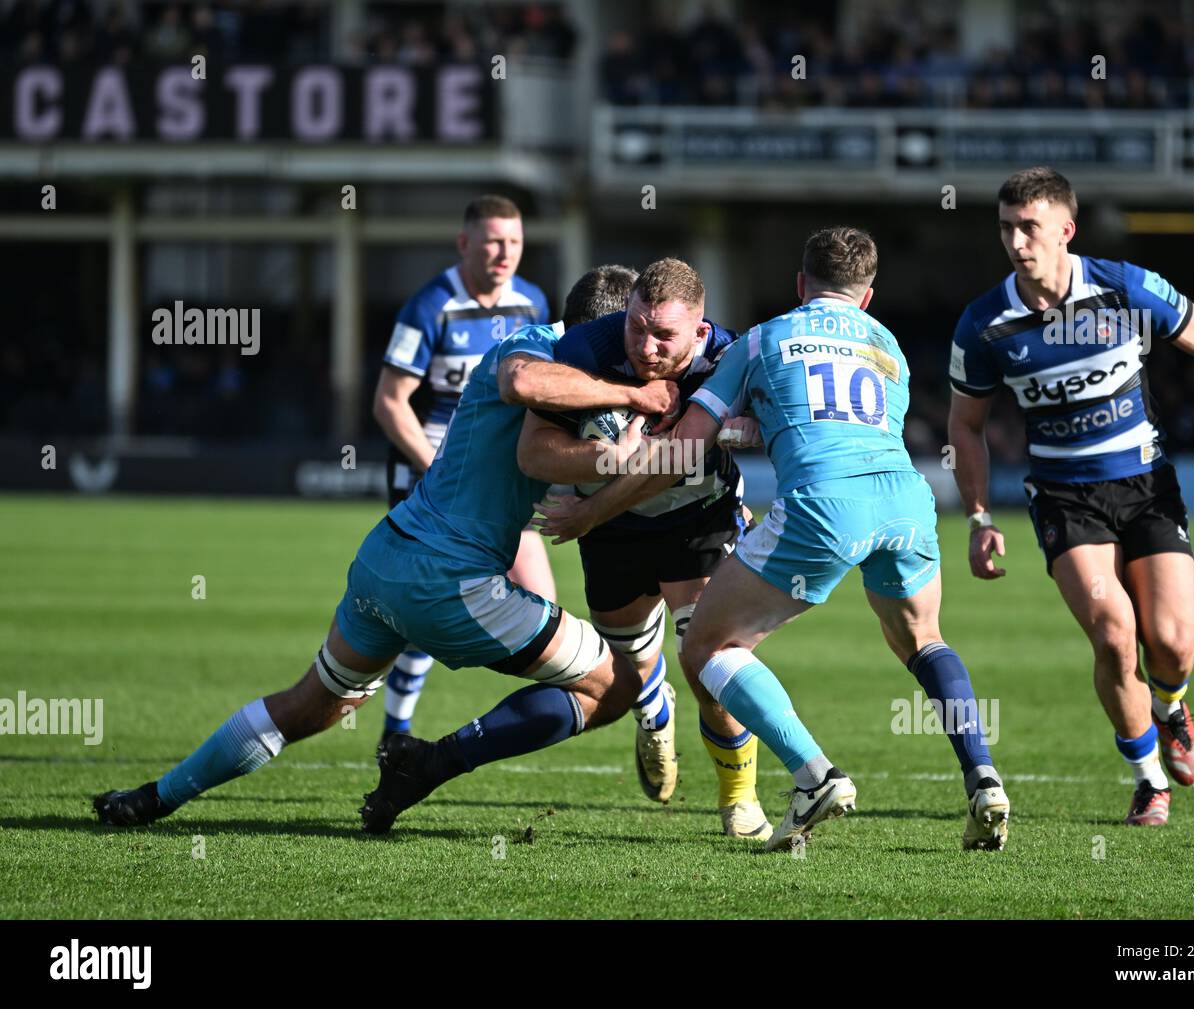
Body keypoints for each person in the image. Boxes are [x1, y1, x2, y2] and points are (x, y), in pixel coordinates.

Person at [92, 267, 678, 832]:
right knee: (618, 686)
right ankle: (429, 764)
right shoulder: (536, 348)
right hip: (454, 582)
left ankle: (154, 797)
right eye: (631, 337)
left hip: (387, 559)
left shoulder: (572, 365)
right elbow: (522, 384)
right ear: (604, 334)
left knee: (309, 705)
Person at [536, 228, 1010, 852]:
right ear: (866, 297)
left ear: (798, 285)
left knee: (705, 647)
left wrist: (594, 510)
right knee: (925, 641)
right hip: (907, 499)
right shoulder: (886, 343)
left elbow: (680, 449)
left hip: (824, 504)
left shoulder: (761, 340)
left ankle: (814, 775)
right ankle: (983, 779)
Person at [947, 166, 1194, 825]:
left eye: (1029, 226)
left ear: (1066, 229)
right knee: (1115, 636)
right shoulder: (984, 323)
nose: (1016, 241)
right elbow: (964, 427)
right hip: (1063, 497)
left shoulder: (1124, 287)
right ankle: (1148, 779)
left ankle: (1171, 706)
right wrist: (977, 516)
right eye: (1006, 228)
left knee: (1170, 643)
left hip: (1147, 487)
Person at [515, 257, 774, 840]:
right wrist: (613, 459)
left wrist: (732, 430)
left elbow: (760, 428)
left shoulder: (729, 355)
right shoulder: (583, 353)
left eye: (664, 336)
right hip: (613, 532)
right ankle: (654, 706)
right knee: (629, 664)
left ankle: (740, 798)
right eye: (637, 328)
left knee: (711, 663)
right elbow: (534, 455)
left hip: (698, 518)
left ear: (700, 332)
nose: (648, 347)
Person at [371, 194, 554, 743]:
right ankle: (396, 730)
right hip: (429, 475)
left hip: (498, 476)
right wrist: (436, 469)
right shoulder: (430, 305)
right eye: (493, 240)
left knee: (544, 607)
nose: (504, 252)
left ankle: (617, 708)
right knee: (422, 605)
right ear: (464, 243)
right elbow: (388, 401)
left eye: (515, 242)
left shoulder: (532, 303)